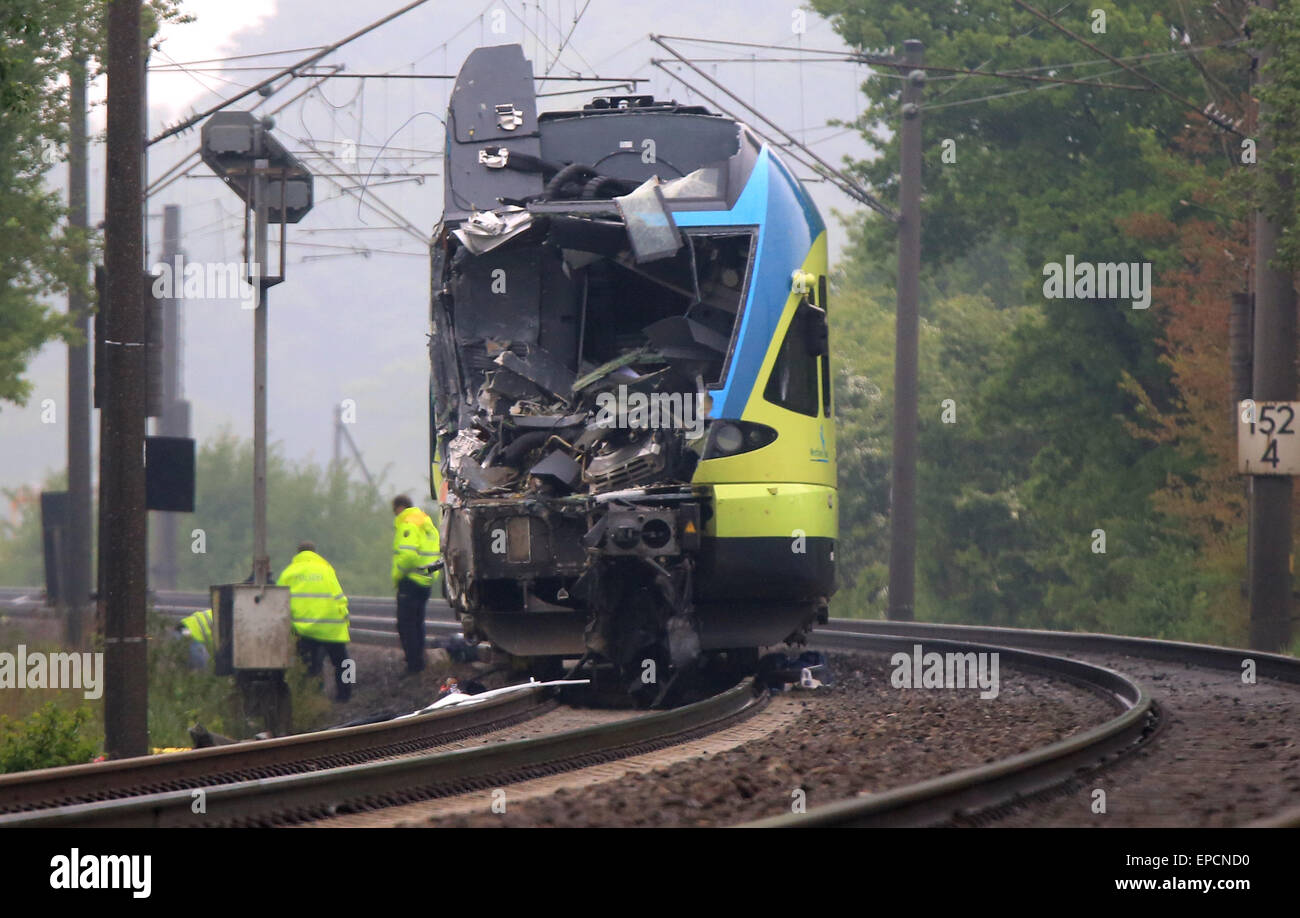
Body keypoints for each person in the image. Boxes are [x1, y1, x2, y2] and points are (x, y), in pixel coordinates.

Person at [276, 541, 352, 702]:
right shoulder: (327, 570)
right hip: (332, 627)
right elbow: (340, 597)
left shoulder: (289, 573)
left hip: (305, 629)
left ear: (297, 554)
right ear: (314, 552)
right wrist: (345, 620)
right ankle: (346, 695)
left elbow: (278, 602)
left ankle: (312, 697)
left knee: (308, 667)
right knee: (344, 663)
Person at [391, 495, 442, 674]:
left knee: (405, 625)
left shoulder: (408, 523)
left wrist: (397, 575)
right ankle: (419, 661)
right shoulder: (426, 523)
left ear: (399, 508)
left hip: (410, 580)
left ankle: (414, 665)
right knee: (417, 623)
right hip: (425, 580)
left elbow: (408, 556)